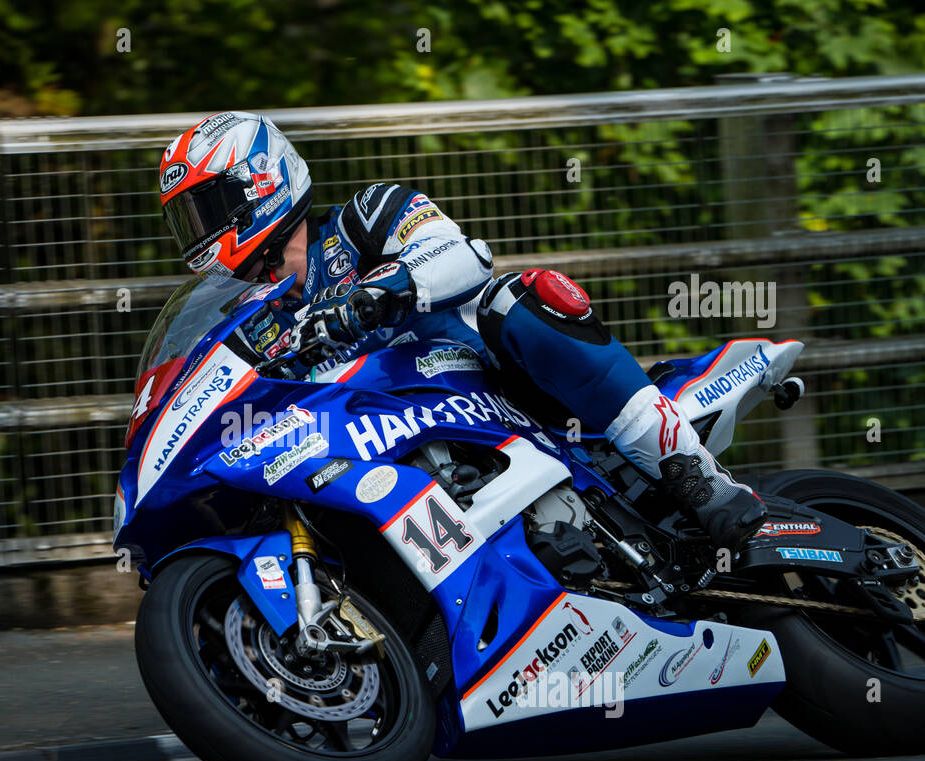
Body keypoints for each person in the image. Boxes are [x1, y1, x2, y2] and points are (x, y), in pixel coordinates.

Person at [158, 110, 765, 550]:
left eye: (206, 208)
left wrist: (379, 293)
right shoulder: (257, 317)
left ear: (259, 182)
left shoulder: (366, 216)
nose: (198, 231)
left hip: (496, 390)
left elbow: (465, 254)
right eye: (187, 219)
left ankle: (697, 478)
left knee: (520, 298)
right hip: (383, 443)